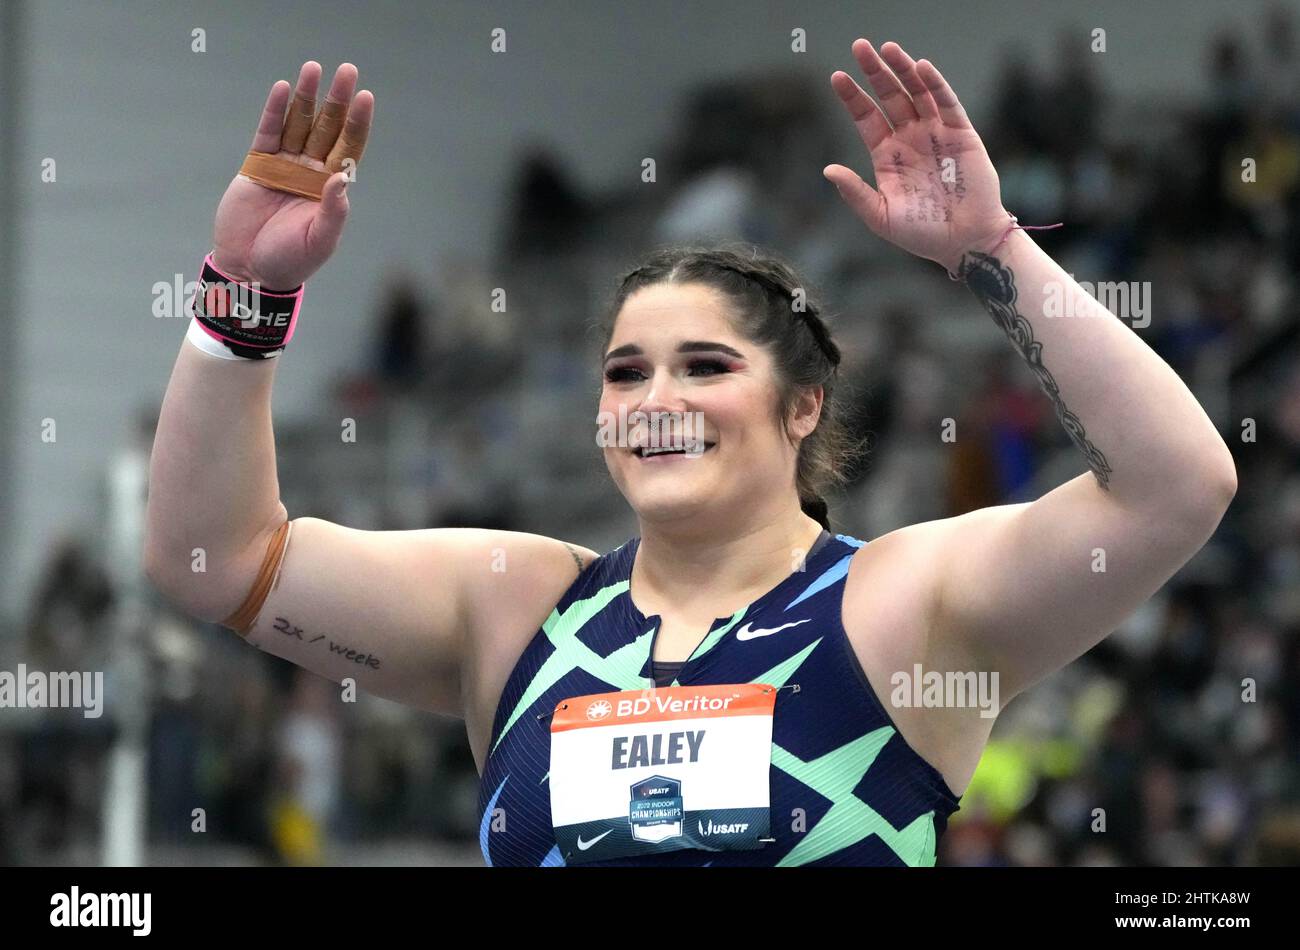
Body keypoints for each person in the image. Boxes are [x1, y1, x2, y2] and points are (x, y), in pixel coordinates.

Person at [145, 42, 1237, 866]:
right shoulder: (516, 605)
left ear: (802, 405)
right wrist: (246, 296)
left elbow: (1174, 484)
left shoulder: (902, 604)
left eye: (704, 366)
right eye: (625, 372)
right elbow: (211, 559)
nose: (655, 398)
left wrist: (995, 251)